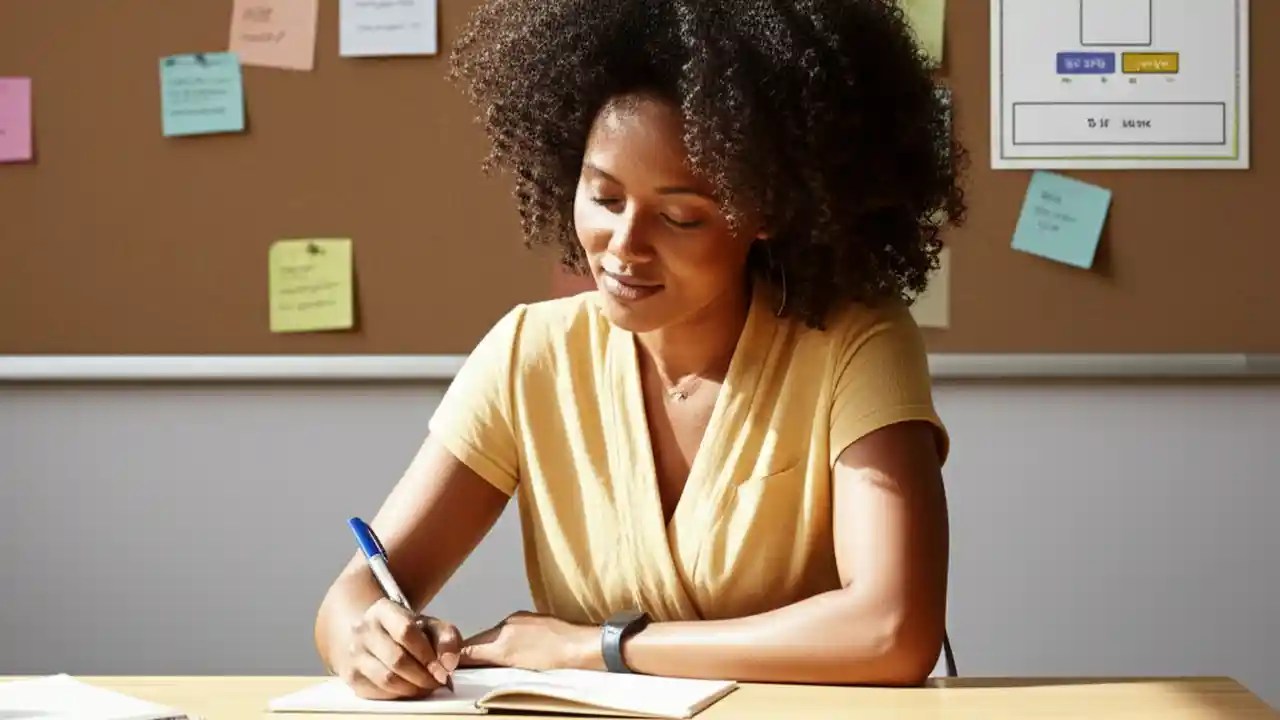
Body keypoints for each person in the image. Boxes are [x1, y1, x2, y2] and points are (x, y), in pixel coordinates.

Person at [314, 0, 966, 700]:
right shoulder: (531, 352)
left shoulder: (854, 344)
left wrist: (592, 648)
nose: (624, 246)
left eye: (680, 216)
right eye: (604, 197)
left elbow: (893, 630)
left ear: (769, 211)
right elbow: (350, 597)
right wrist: (371, 637)